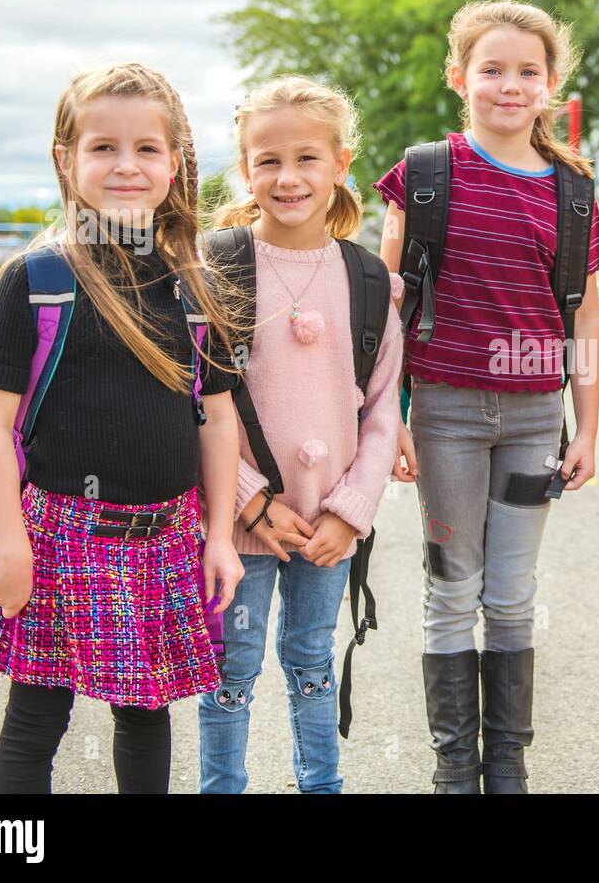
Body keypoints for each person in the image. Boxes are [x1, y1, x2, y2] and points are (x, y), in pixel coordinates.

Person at [0, 62, 244, 793]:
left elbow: (215, 416)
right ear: (66, 159)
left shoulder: (192, 282)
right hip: (56, 535)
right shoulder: (36, 279)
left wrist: (218, 536)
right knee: (35, 716)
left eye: (148, 148)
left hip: (165, 536)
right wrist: (10, 550)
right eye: (103, 148)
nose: (127, 165)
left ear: (175, 162)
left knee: (146, 717)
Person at [375, 0, 599, 793]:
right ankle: (454, 770)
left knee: (511, 595)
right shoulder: (426, 174)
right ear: (459, 78)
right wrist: (392, 418)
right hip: (443, 414)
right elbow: (391, 306)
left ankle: (507, 767)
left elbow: (582, 312)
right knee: (452, 585)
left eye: (528, 72)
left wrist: (587, 426)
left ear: (550, 85)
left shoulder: (573, 190)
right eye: (493, 70)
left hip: (536, 419)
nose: (511, 85)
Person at [196, 76, 402, 794]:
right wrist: (250, 502)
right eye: (268, 160)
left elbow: (382, 410)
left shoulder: (368, 279)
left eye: (308, 158)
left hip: (328, 528)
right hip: (241, 522)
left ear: (341, 163)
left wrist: (350, 513)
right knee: (232, 667)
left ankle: (323, 784)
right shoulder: (215, 268)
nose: (288, 178)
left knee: (313, 661)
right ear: (246, 169)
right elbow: (195, 399)